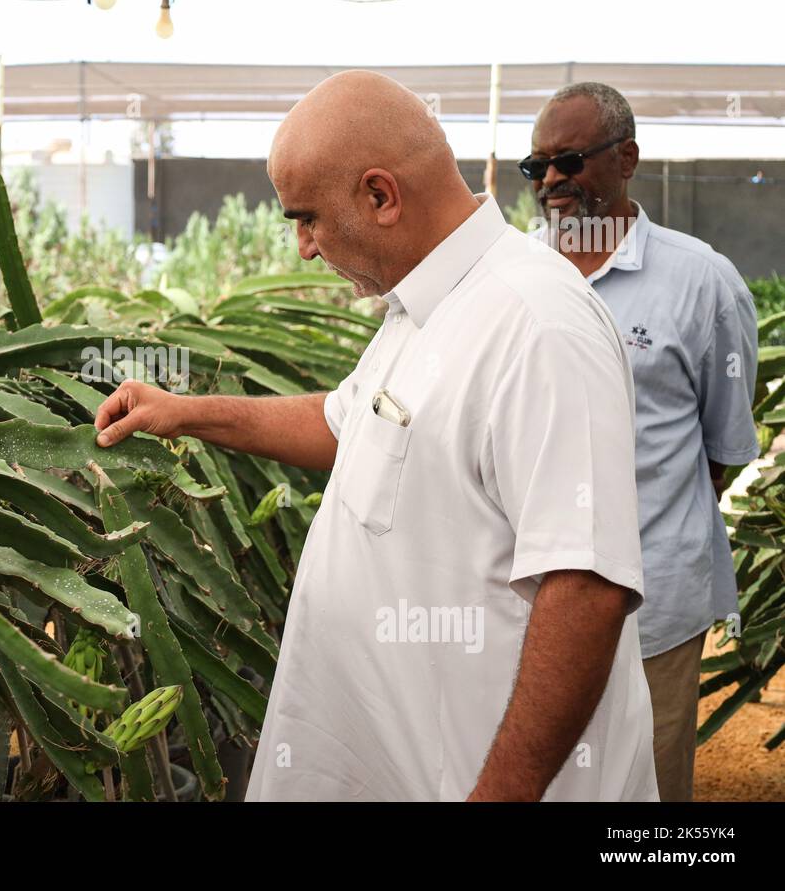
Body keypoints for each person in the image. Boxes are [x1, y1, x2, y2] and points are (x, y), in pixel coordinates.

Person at [93, 69, 658, 801]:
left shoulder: (535, 322)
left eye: (306, 218)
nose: (302, 246)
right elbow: (349, 423)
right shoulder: (421, 307)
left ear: (380, 196)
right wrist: (186, 411)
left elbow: (586, 587)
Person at [523, 82, 760, 801]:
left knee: (650, 790)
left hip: (653, 607)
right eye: (537, 168)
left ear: (627, 158)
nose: (552, 181)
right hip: (527, 606)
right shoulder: (514, 278)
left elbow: (720, 449)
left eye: (568, 159)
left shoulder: (701, 282)